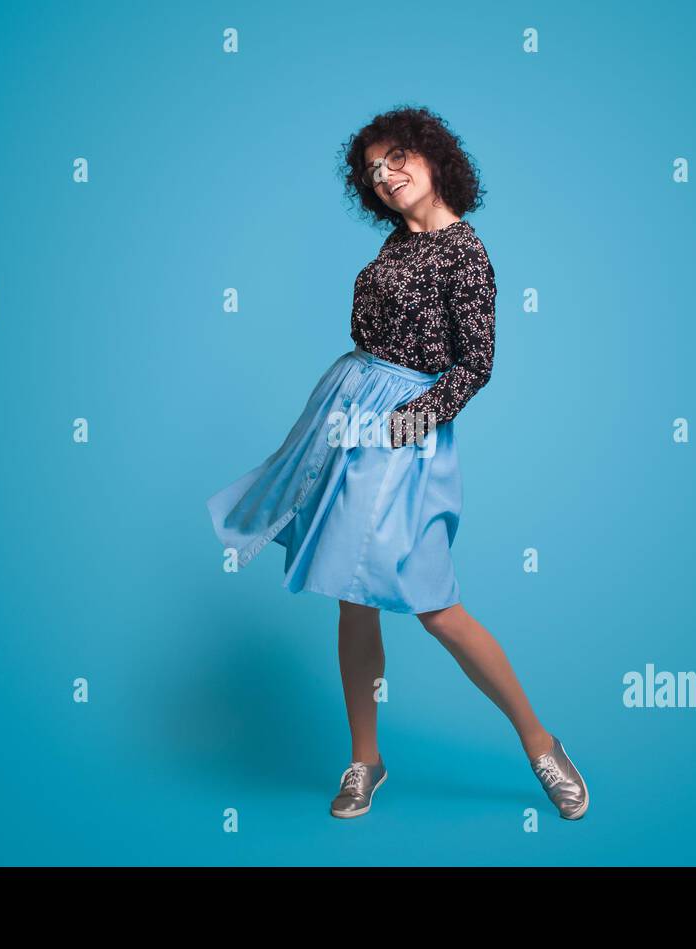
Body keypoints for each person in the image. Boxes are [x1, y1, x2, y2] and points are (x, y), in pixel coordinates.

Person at [207, 106, 587, 821]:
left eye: (398, 158)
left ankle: (541, 744)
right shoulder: (392, 246)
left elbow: (476, 366)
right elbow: (368, 336)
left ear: (435, 157)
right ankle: (365, 760)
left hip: (402, 428)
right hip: (346, 408)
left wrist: (399, 426)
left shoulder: (464, 249)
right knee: (353, 591)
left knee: (432, 603)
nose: (387, 176)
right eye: (373, 171)